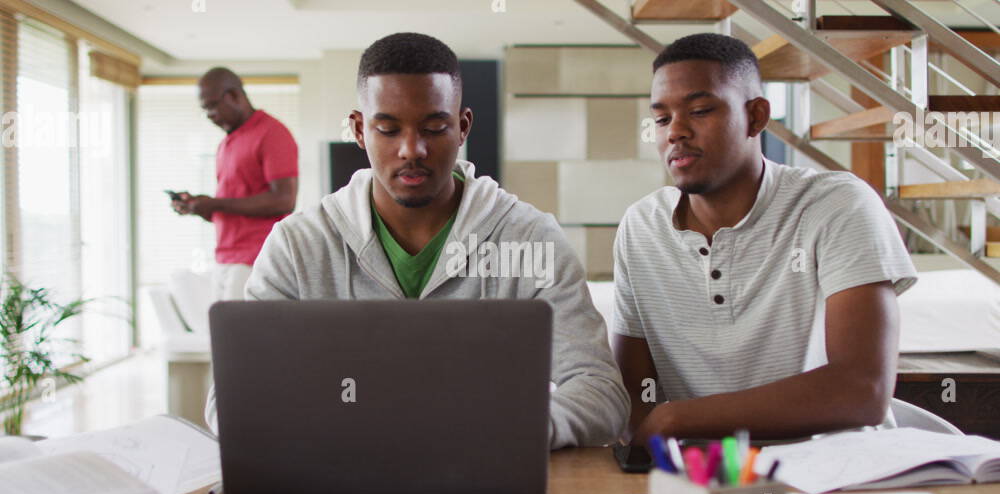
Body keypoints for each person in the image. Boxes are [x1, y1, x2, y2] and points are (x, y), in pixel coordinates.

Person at [204, 33, 628, 448]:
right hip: (341, 489)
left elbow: (601, 393)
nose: (412, 149)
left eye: (434, 127)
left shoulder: (531, 239)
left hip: (486, 486)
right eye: (388, 130)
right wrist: (330, 428)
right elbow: (231, 398)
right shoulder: (297, 246)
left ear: (462, 127)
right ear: (357, 130)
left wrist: (514, 426)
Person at [612, 33, 918, 445]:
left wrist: (676, 419)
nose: (675, 132)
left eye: (700, 110)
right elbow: (635, 394)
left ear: (756, 116)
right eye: (662, 119)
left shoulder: (838, 205)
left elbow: (862, 391)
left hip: (842, 477)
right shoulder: (641, 226)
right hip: (709, 477)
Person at [171, 67, 299, 301]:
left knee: (241, 336)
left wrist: (217, 204)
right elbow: (232, 206)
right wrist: (201, 207)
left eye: (211, 105)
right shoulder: (226, 143)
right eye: (204, 109)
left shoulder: (272, 133)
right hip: (225, 259)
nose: (209, 114)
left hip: (256, 259)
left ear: (233, 96)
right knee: (224, 334)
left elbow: (284, 200)